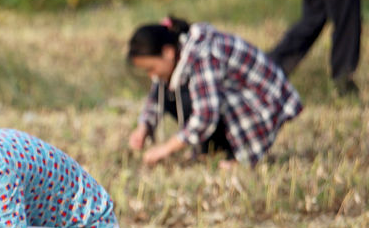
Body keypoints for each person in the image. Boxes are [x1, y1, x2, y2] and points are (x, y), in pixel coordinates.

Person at [127, 17, 303, 167]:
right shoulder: (181, 56)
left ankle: (239, 157)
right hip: (235, 99)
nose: (151, 75)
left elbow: (205, 114)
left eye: (151, 68)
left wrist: (166, 148)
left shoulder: (203, 54)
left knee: (190, 97)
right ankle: (214, 149)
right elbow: (157, 96)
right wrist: (144, 127)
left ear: (168, 52)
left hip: (264, 103)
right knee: (170, 92)